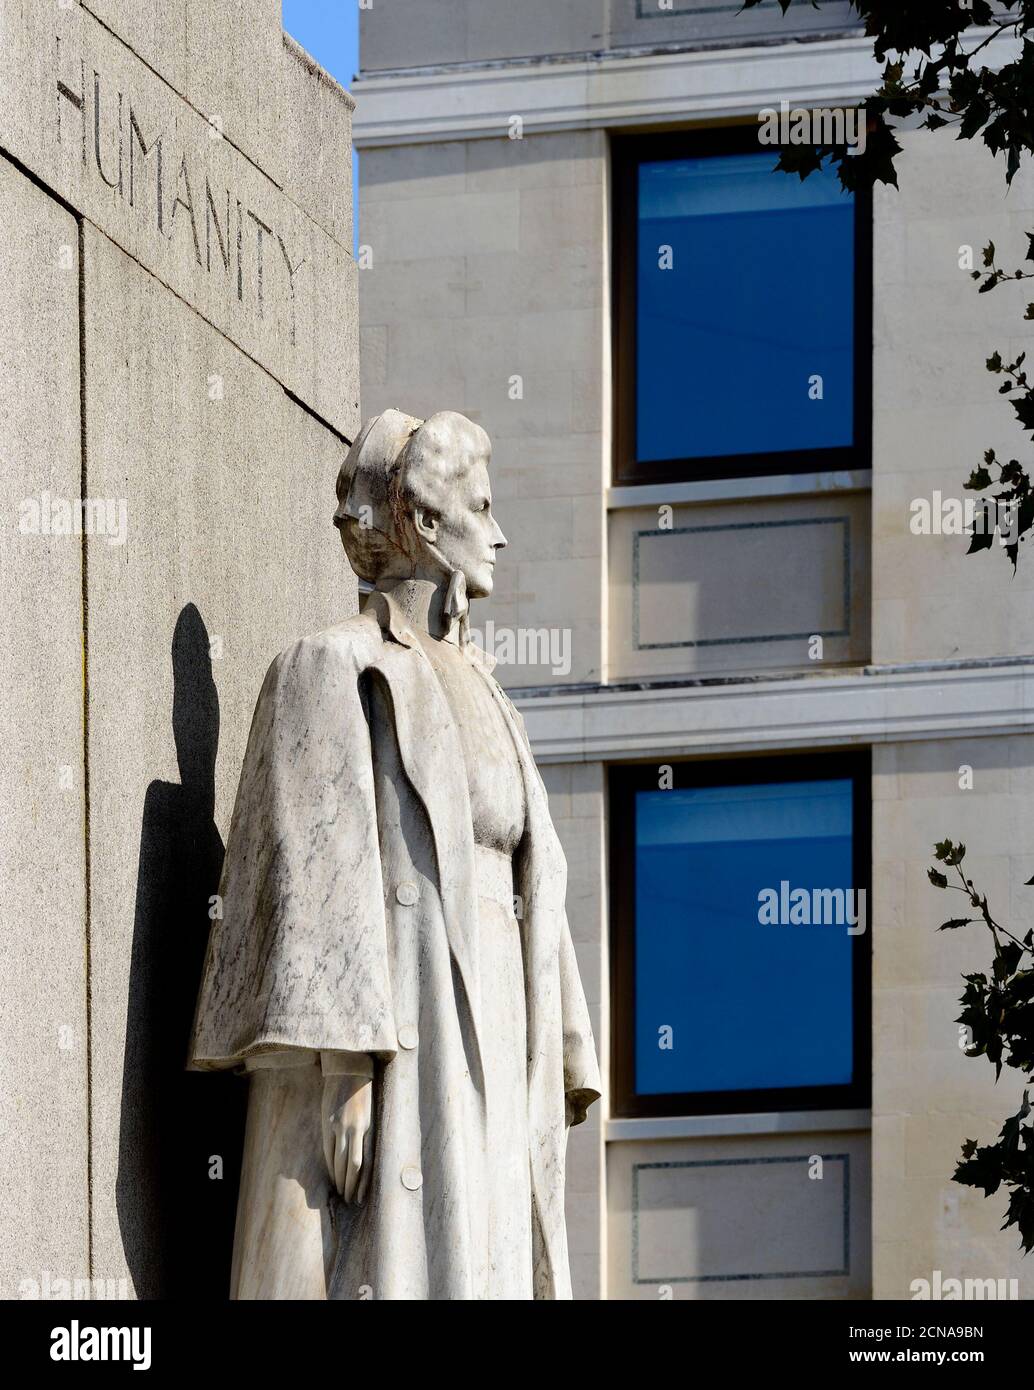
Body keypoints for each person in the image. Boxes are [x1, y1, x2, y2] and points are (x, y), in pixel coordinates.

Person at [190, 408, 601, 1299]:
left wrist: (563, 1045)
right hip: (406, 1005)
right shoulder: (328, 666)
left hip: (496, 1008)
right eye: (480, 508)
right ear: (421, 522)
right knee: (403, 1254)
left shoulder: (494, 694)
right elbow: (316, 861)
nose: (499, 533)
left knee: (488, 1249)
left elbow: (542, 874)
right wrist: (344, 1064)